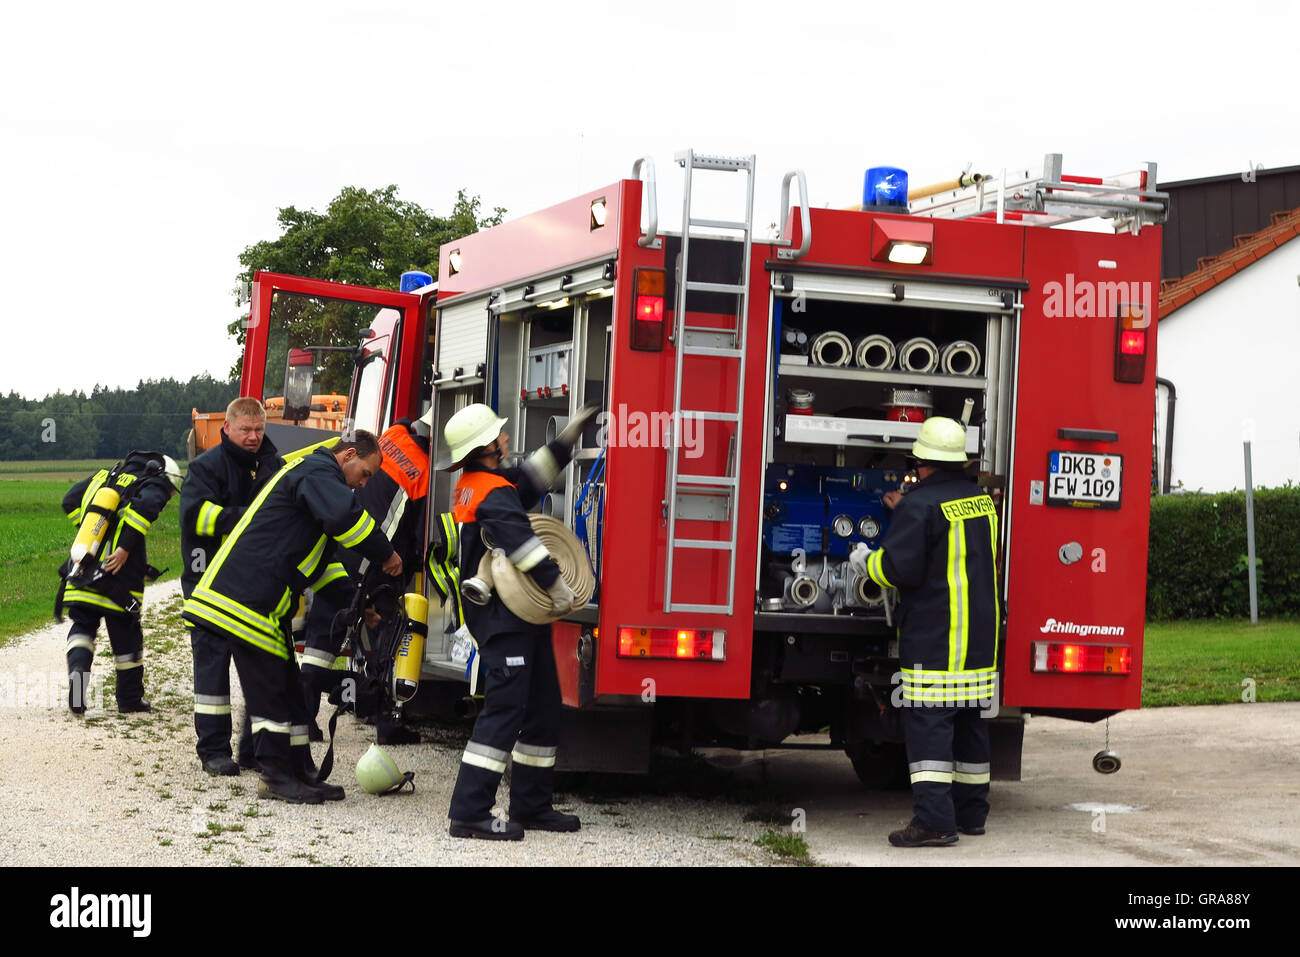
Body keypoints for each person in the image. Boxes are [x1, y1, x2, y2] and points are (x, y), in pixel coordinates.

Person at [182, 433, 400, 804]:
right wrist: (385, 553)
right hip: (245, 601)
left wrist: (357, 605)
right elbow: (346, 519)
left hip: (259, 603)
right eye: (364, 473)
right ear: (347, 455)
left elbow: (321, 566)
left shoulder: (314, 482)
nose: (363, 484)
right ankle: (275, 777)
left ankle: (301, 771)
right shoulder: (318, 471)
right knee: (270, 694)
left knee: (290, 691)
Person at [440, 401, 598, 840]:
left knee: (543, 703)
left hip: (517, 617)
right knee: (505, 709)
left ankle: (531, 804)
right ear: (487, 446)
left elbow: (528, 481)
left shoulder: (484, 484)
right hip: (503, 618)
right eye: (500, 434)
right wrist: (558, 586)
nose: (506, 437)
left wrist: (566, 442)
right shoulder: (491, 492)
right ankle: (469, 812)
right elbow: (522, 543)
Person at [851, 416, 999, 847]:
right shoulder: (981, 501)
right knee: (970, 723)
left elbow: (899, 569)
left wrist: (866, 561)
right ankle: (972, 815)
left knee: (930, 727)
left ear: (922, 461)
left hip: (936, 639)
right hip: (977, 643)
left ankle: (935, 822)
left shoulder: (919, 506)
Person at [299, 414, 432, 746]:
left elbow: (402, 420)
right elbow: (418, 533)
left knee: (320, 641)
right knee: (386, 642)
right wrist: (408, 564)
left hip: (338, 550)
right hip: (375, 560)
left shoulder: (391, 437)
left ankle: (303, 719)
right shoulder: (425, 471)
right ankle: (386, 723)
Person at [180, 397, 282, 776]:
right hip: (207, 583)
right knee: (212, 667)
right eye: (246, 430)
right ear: (228, 428)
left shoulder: (274, 467)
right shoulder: (205, 467)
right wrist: (253, 518)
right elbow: (197, 518)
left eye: (259, 430)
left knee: (260, 667)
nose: (253, 437)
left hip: (255, 586)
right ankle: (213, 750)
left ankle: (254, 749)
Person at [60, 451, 182, 715]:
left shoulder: (105, 475)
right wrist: (125, 546)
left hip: (83, 568)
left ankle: (78, 679)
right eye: (171, 491)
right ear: (163, 474)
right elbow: (146, 508)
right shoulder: (152, 481)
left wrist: (90, 532)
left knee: (82, 628)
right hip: (119, 575)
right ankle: (129, 700)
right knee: (127, 637)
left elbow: (70, 500)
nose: (169, 496)